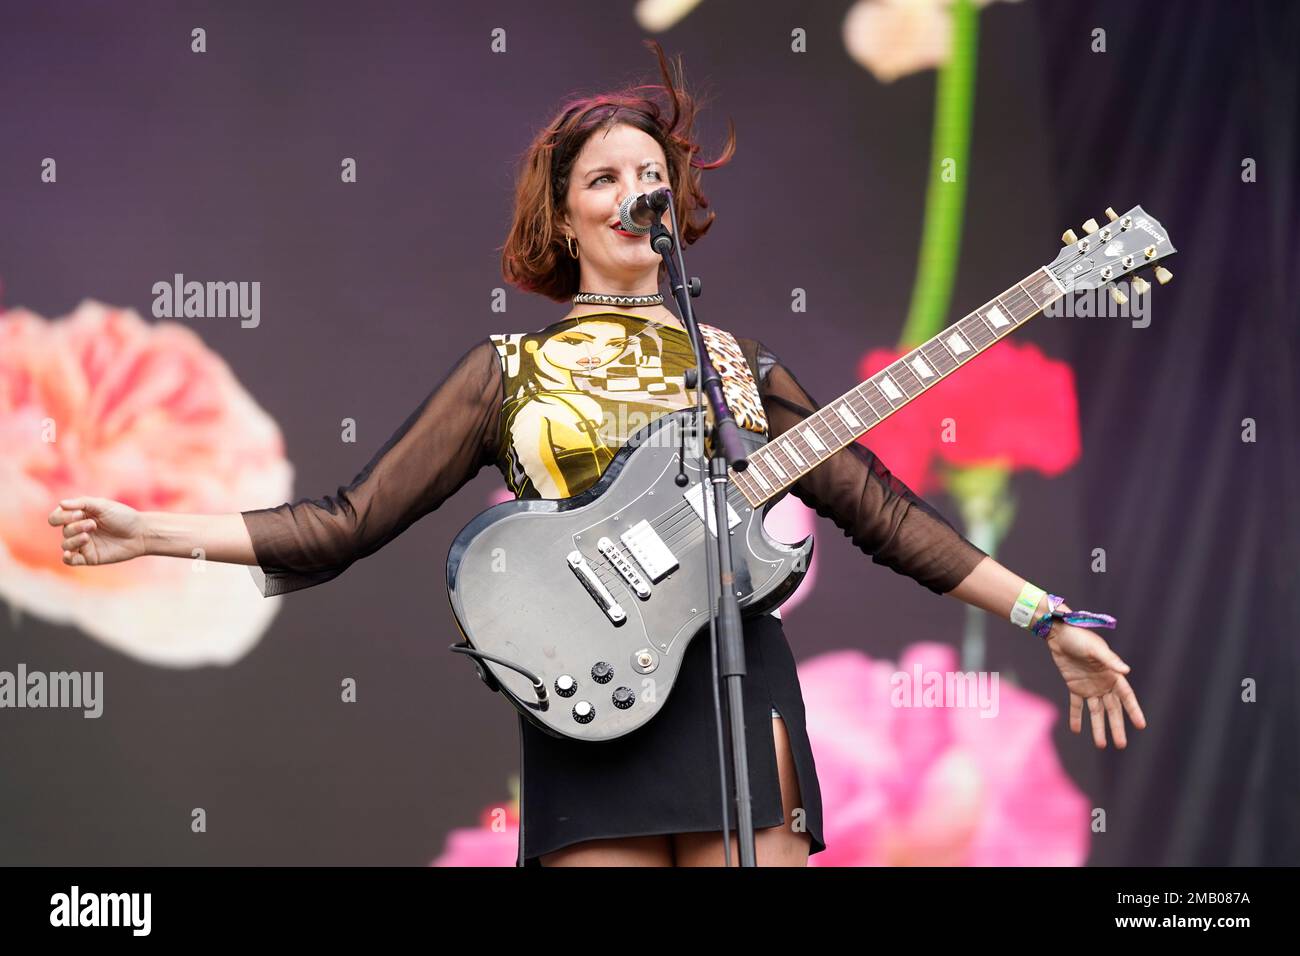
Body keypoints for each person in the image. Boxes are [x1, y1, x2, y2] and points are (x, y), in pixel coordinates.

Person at [47, 40, 1146, 868]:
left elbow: (885, 513)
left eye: (649, 173)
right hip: (589, 696)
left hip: (735, 694)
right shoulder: (509, 373)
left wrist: (1047, 615)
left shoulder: (733, 366)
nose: (634, 192)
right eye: (603, 179)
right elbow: (345, 520)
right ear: (565, 219)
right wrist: (152, 529)